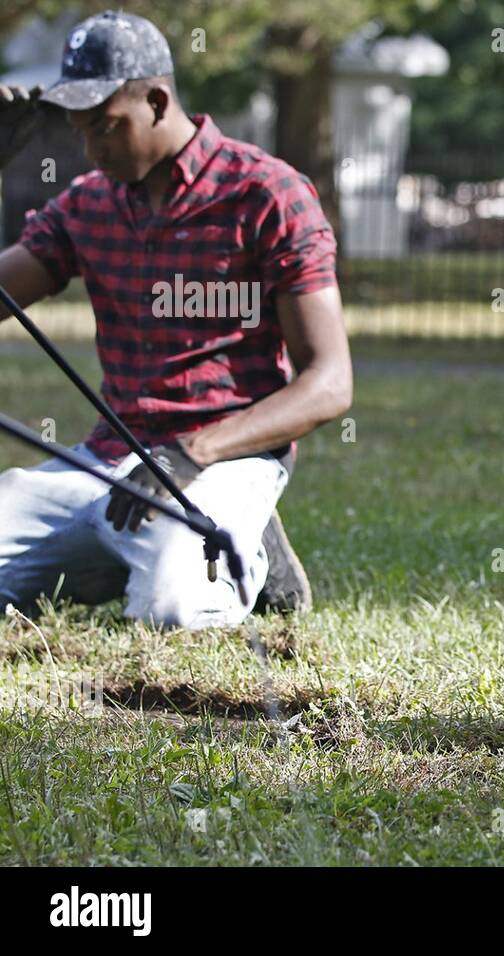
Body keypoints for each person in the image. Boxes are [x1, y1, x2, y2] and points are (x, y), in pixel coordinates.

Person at [0, 11, 351, 628]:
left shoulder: (268, 195)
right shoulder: (87, 203)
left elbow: (329, 383)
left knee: (173, 611)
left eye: (107, 129)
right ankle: (120, 556)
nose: (91, 150)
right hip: (108, 461)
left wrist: (194, 451)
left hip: (223, 458)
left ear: (158, 101)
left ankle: (242, 543)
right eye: (82, 133)